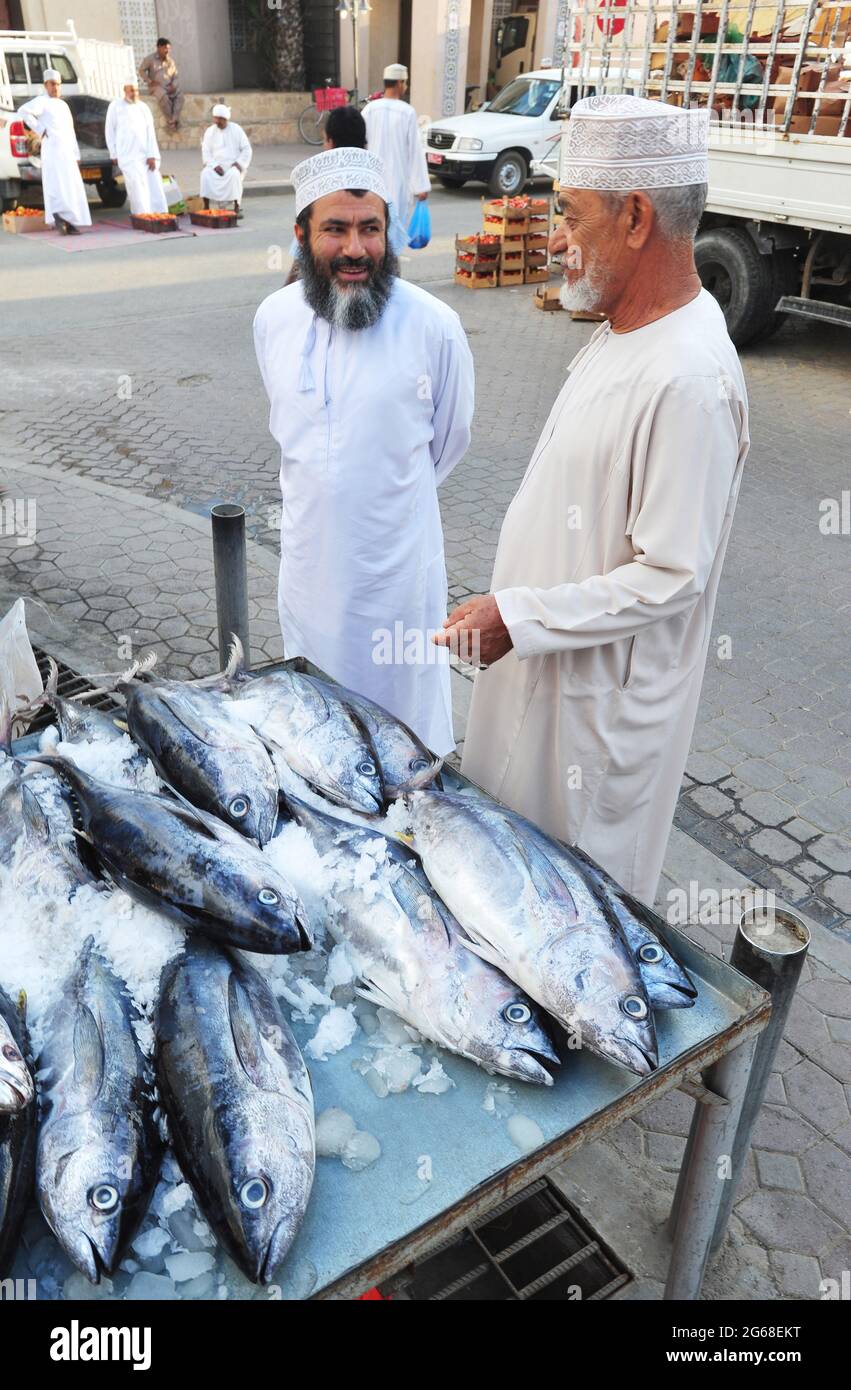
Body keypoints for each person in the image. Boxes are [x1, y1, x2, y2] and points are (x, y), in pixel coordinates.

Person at [439, 95, 750, 906]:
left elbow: (672, 574)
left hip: (594, 718)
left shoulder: (689, 378)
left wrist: (522, 618)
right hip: (537, 673)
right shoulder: (621, 333)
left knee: (564, 919)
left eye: (570, 215)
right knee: (500, 891)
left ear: (636, 217)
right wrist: (516, 613)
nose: (555, 239)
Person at [254, 148, 474, 756]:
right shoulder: (273, 318)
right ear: (301, 234)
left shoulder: (433, 327)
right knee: (323, 737)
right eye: (335, 228)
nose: (355, 249)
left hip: (395, 582)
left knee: (402, 744)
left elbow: (449, 441)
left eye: (370, 228)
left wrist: (379, 495)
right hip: (308, 573)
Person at [19, 69, 91, 235]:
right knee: (56, 185)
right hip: (52, 150)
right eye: (52, 84)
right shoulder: (41, 101)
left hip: (67, 152)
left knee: (70, 187)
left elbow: (71, 131)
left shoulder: (63, 105)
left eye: (58, 84)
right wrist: (40, 129)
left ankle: (71, 221)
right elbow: (23, 111)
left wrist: (76, 154)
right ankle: (59, 218)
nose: (55, 88)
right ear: (46, 85)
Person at [362, 63, 430, 235]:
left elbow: (360, 142)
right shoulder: (407, 112)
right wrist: (420, 186)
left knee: (372, 229)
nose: (405, 87)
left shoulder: (369, 109)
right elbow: (414, 151)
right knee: (392, 232)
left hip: (372, 182)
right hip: (397, 183)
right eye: (405, 83)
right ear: (400, 83)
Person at [105, 82, 168, 217]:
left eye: (137, 91)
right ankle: (142, 216)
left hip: (145, 155)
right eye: (131, 91)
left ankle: (158, 213)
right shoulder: (115, 107)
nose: (135, 94)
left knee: (153, 184)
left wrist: (152, 155)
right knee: (136, 187)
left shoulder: (143, 107)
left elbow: (150, 133)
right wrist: (113, 153)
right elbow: (109, 131)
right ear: (124, 90)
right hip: (127, 156)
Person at [200, 105, 252, 217]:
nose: (217, 121)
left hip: (232, 166)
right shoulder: (210, 132)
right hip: (215, 166)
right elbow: (206, 152)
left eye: (219, 119)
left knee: (234, 175)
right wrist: (214, 166)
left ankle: (236, 207)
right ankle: (206, 207)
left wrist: (239, 163)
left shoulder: (236, 129)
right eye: (215, 118)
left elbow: (247, 149)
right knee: (205, 174)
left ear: (225, 119)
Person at [139, 37, 183, 131]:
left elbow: (175, 76)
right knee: (164, 96)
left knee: (180, 96)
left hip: (169, 87)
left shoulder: (171, 61)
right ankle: (171, 121)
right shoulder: (150, 59)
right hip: (156, 87)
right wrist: (149, 81)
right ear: (158, 47)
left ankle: (174, 120)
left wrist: (173, 85)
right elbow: (141, 70)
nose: (167, 50)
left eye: (169, 48)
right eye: (165, 48)